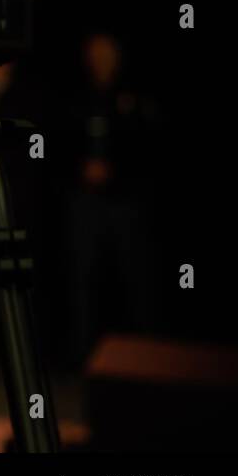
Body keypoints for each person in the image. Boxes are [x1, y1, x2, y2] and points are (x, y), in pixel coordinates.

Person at [63, 33, 159, 364]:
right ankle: (82, 359)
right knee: (82, 281)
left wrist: (115, 171)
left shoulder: (133, 99)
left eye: (106, 54)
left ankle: (141, 358)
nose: (100, 61)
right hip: (84, 202)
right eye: (94, 54)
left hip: (124, 202)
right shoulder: (75, 97)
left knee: (134, 280)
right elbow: (59, 146)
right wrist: (80, 170)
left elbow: (149, 149)